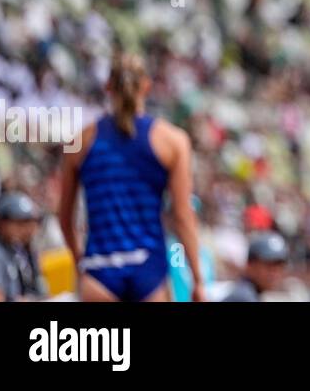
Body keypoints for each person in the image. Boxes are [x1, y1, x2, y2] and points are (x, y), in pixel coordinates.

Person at [58, 53, 205, 301]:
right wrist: (198, 279)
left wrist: (80, 262)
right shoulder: (173, 141)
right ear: (146, 86)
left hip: (100, 269)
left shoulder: (78, 142)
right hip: (148, 269)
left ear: (107, 87)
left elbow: (64, 216)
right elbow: (182, 215)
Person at [0, 191, 47, 301]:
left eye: (27, 223)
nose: (25, 229)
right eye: (18, 222)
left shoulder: (17, 252)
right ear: (2, 223)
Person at [221, 231, 289, 302]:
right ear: (250, 265)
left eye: (280, 266)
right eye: (269, 266)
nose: (275, 273)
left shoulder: (247, 293)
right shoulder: (243, 297)